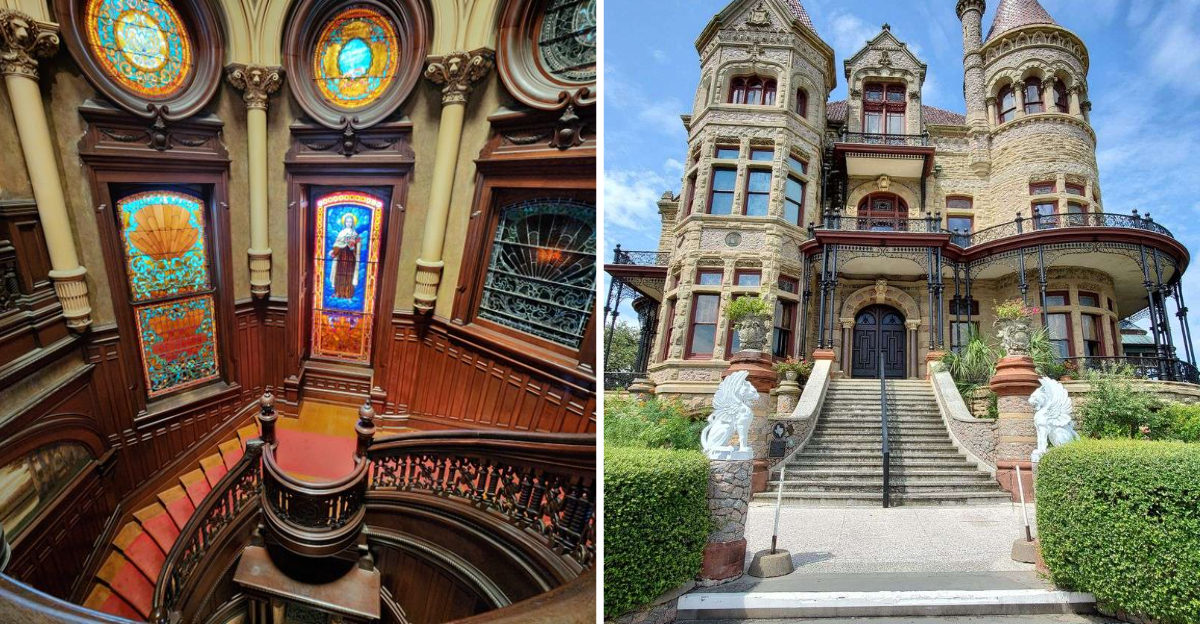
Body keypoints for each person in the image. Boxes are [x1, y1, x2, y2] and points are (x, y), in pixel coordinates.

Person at [329, 213, 361, 298]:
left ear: (353, 223)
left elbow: (358, 247)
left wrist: (352, 246)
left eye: (350, 222)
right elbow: (336, 245)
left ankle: (348, 294)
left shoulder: (355, 234)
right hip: (341, 257)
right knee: (339, 274)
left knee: (349, 275)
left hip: (350, 258)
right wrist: (335, 251)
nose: (349, 223)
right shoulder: (341, 233)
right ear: (345, 222)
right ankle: (338, 293)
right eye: (347, 221)